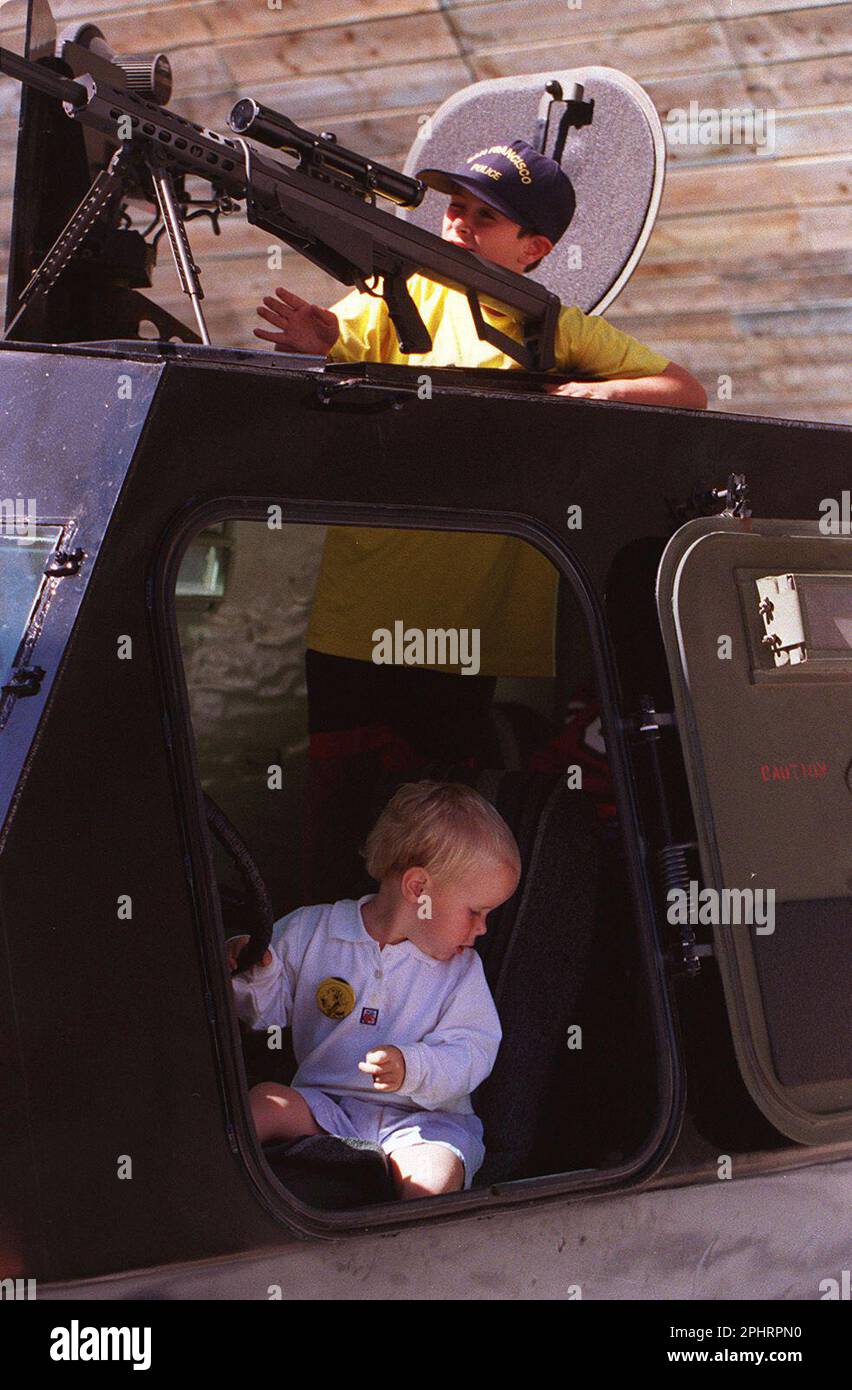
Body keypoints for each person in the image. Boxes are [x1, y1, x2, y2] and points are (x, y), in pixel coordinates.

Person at [253, 139, 707, 901]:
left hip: (462, 624)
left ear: (534, 249)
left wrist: (585, 393)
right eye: (455, 208)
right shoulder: (397, 290)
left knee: (433, 820)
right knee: (338, 814)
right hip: (354, 611)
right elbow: (338, 345)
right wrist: (320, 343)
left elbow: (683, 389)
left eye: (483, 215)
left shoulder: (550, 329)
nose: (458, 224)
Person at [228, 781, 520, 1200]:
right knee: (264, 1101)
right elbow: (264, 1013)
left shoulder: (461, 970)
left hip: (423, 1122)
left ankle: (405, 1257)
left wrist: (412, 1066)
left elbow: (473, 1050)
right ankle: (208, 1202)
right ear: (419, 890)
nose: (482, 928)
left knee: (432, 1176)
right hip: (328, 1107)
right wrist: (253, 967)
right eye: (475, 912)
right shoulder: (314, 930)